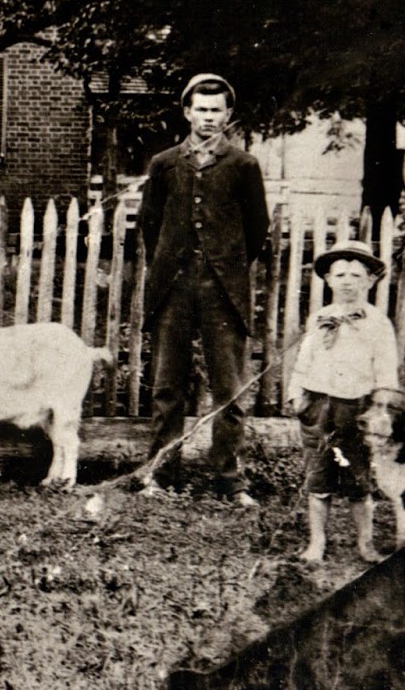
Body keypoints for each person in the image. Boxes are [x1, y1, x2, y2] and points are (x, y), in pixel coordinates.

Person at [138, 73, 270, 504]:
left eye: (217, 110)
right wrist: (173, 264)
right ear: (187, 112)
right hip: (173, 288)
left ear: (228, 116)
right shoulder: (164, 164)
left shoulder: (243, 166)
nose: (209, 118)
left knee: (228, 388)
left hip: (223, 291)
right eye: (201, 109)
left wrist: (224, 267)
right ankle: (161, 475)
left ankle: (228, 480)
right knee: (167, 386)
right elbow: (150, 227)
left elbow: (256, 230)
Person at [286, 241, 399, 564]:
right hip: (319, 406)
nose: (347, 281)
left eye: (355, 275)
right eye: (340, 275)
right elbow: (304, 361)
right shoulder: (320, 317)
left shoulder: (378, 323)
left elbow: (386, 372)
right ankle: (316, 543)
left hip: (357, 408)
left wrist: (381, 411)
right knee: (317, 478)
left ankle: (365, 544)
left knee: (358, 479)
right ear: (329, 280)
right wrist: (297, 396)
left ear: (369, 281)